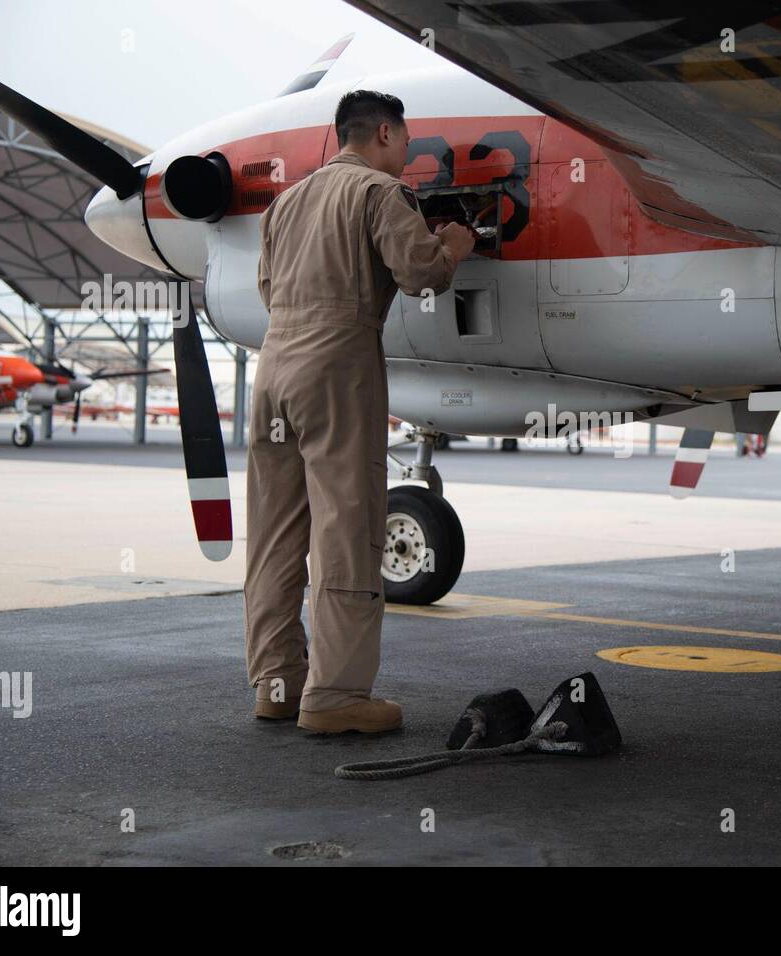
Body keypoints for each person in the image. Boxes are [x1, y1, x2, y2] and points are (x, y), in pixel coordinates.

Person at [244, 90, 476, 733]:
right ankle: (337, 697)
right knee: (348, 527)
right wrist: (453, 244)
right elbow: (419, 274)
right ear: (382, 133)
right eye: (405, 142)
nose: (407, 156)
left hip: (274, 366)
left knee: (273, 535)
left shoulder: (286, 202)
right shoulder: (379, 194)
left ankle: (277, 685)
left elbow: (266, 288)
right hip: (337, 364)